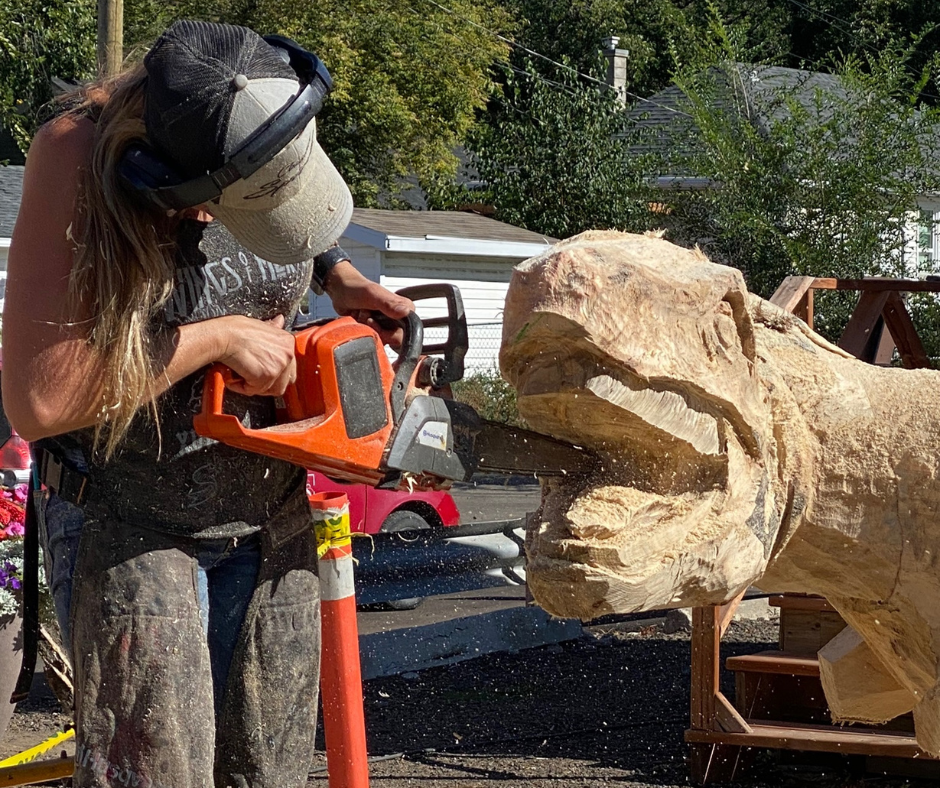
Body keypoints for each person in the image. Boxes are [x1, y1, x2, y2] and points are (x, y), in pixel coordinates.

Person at [3, 19, 413, 788]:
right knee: (157, 771)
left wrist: (334, 270)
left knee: (268, 770)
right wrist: (215, 339)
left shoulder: (253, 100)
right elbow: (41, 397)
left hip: (269, 507)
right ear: (174, 187)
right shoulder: (76, 160)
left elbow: (281, 190)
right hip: (131, 517)